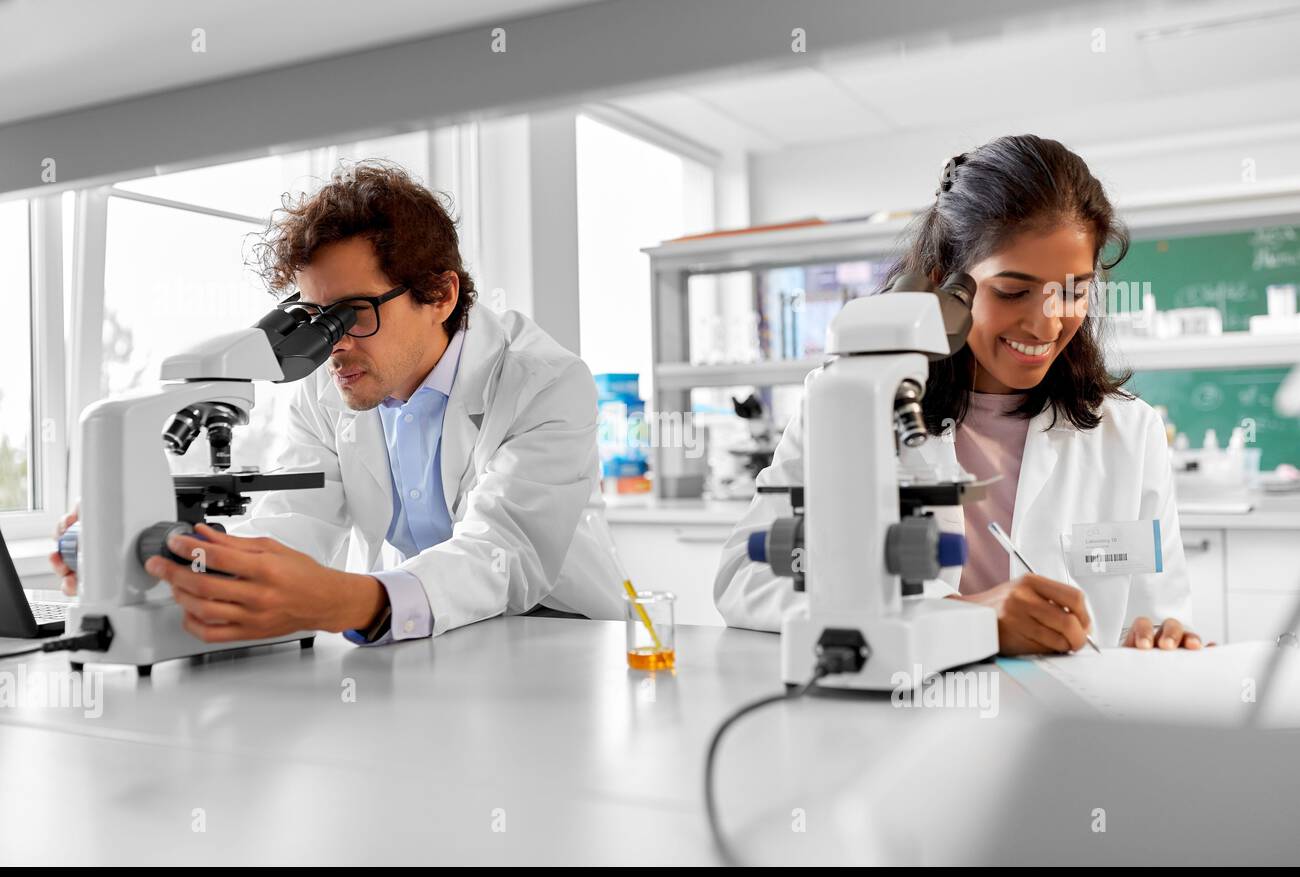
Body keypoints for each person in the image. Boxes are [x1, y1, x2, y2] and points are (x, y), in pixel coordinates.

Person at [51, 161, 623, 644]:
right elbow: (297, 522)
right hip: (427, 635)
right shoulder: (330, 386)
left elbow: (504, 554)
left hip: (556, 639)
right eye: (318, 317)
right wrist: (173, 554)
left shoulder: (544, 380)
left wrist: (351, 601)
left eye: (355, 312)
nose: (334, 343)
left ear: (441, 295)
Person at [715, 134, 1201, 655]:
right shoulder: (849, 402)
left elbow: (1154, 612)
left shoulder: (1130, 432)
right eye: (1013, 291)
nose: (1047, 323)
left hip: (1068, 722)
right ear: (946, 283)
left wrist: (1161, 636)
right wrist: (960, 619)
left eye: (1074, 290)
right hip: (909, 710)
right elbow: (747, 577)